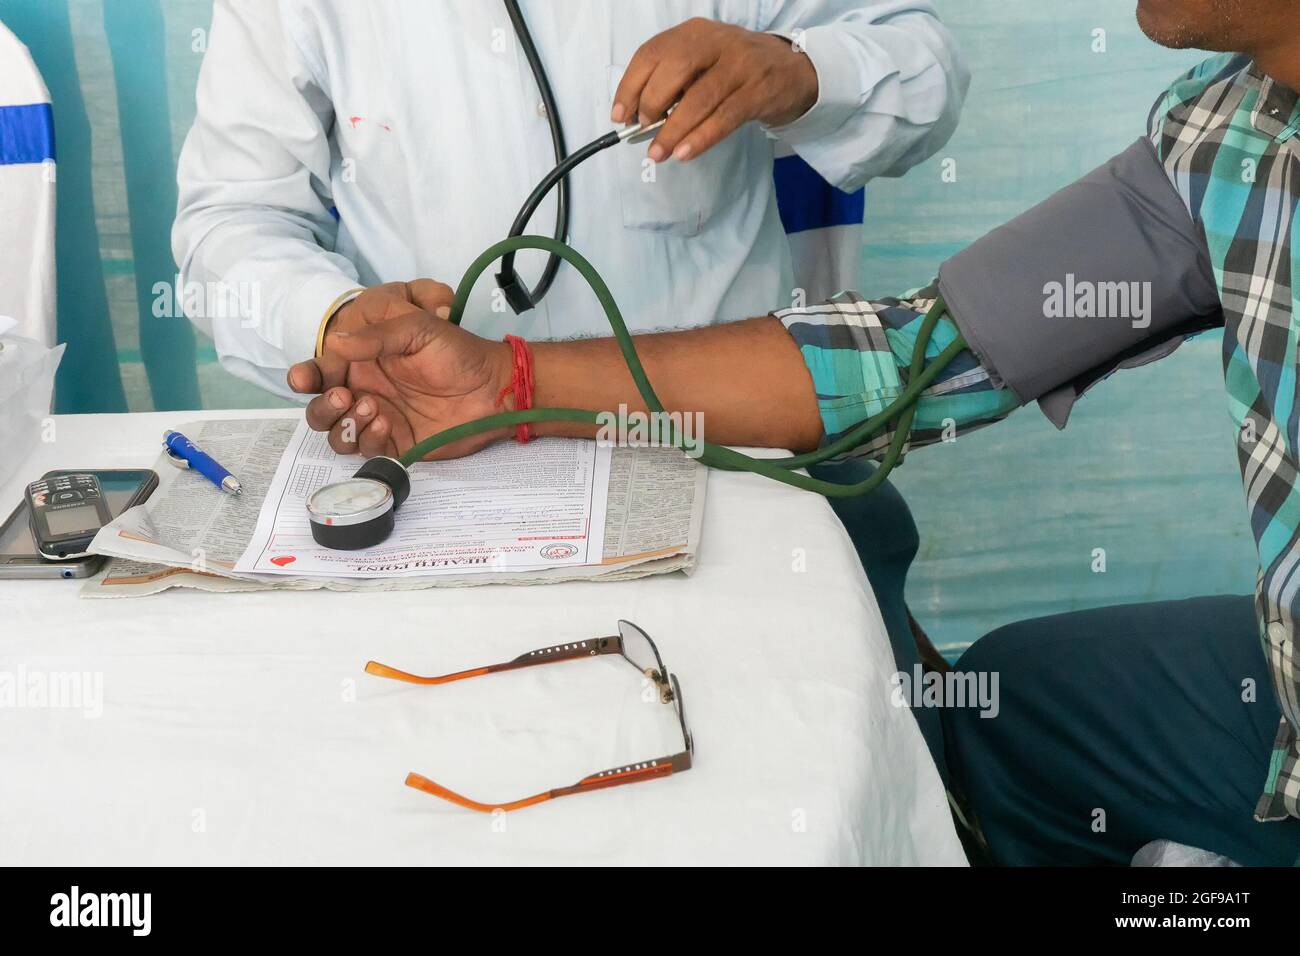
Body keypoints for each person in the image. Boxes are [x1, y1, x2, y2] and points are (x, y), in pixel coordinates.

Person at [286, 0, 1300, 865]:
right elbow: (919, 354)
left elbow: (911, 68)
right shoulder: (1224, 134)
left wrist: (803, 70)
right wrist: (510, 386)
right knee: (1011, 717)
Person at [173, 0, 969, 745]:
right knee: (452, 755)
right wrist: (333, 318)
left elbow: (925, 70)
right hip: (439, 483)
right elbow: (230, 220)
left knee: (791, 757)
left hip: (728, 464)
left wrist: (799, 70)